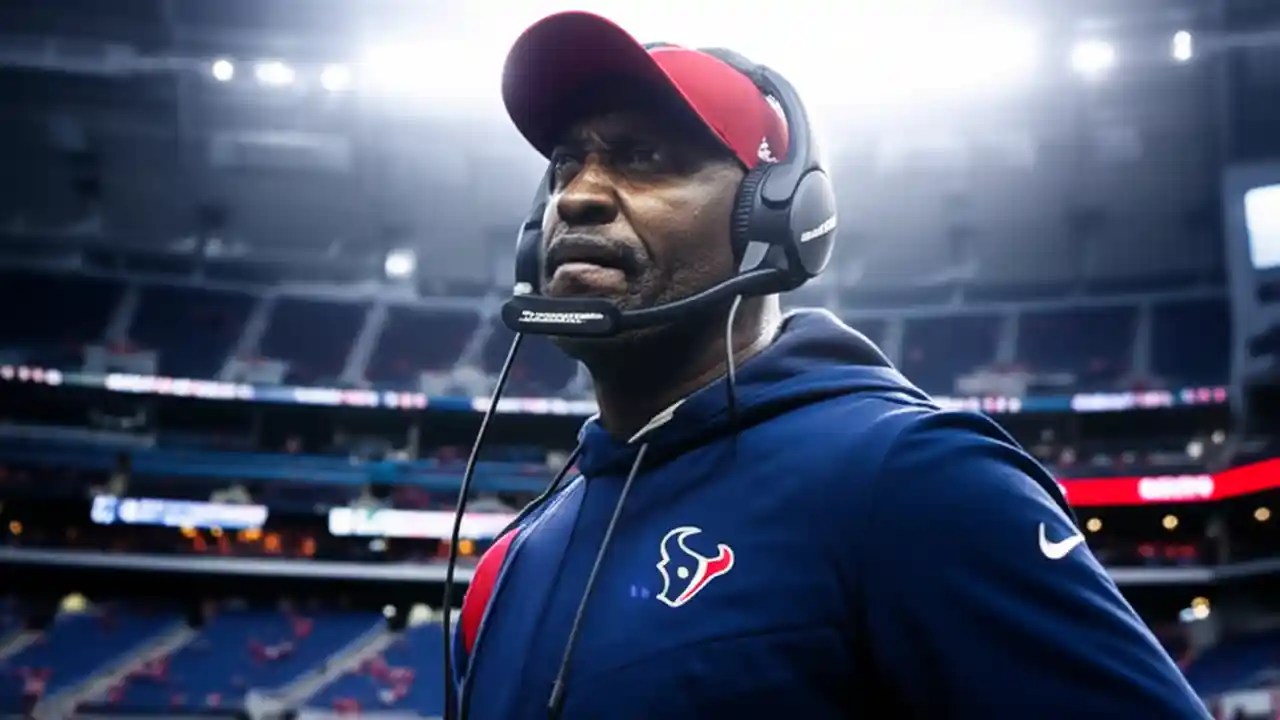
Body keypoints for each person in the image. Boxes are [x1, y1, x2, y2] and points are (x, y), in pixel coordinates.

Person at [451, 10, 1211, 720]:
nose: (578, 196)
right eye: (562, 165)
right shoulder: (505, 567)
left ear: (775, 214)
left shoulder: (918, 479)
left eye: (643, 158)